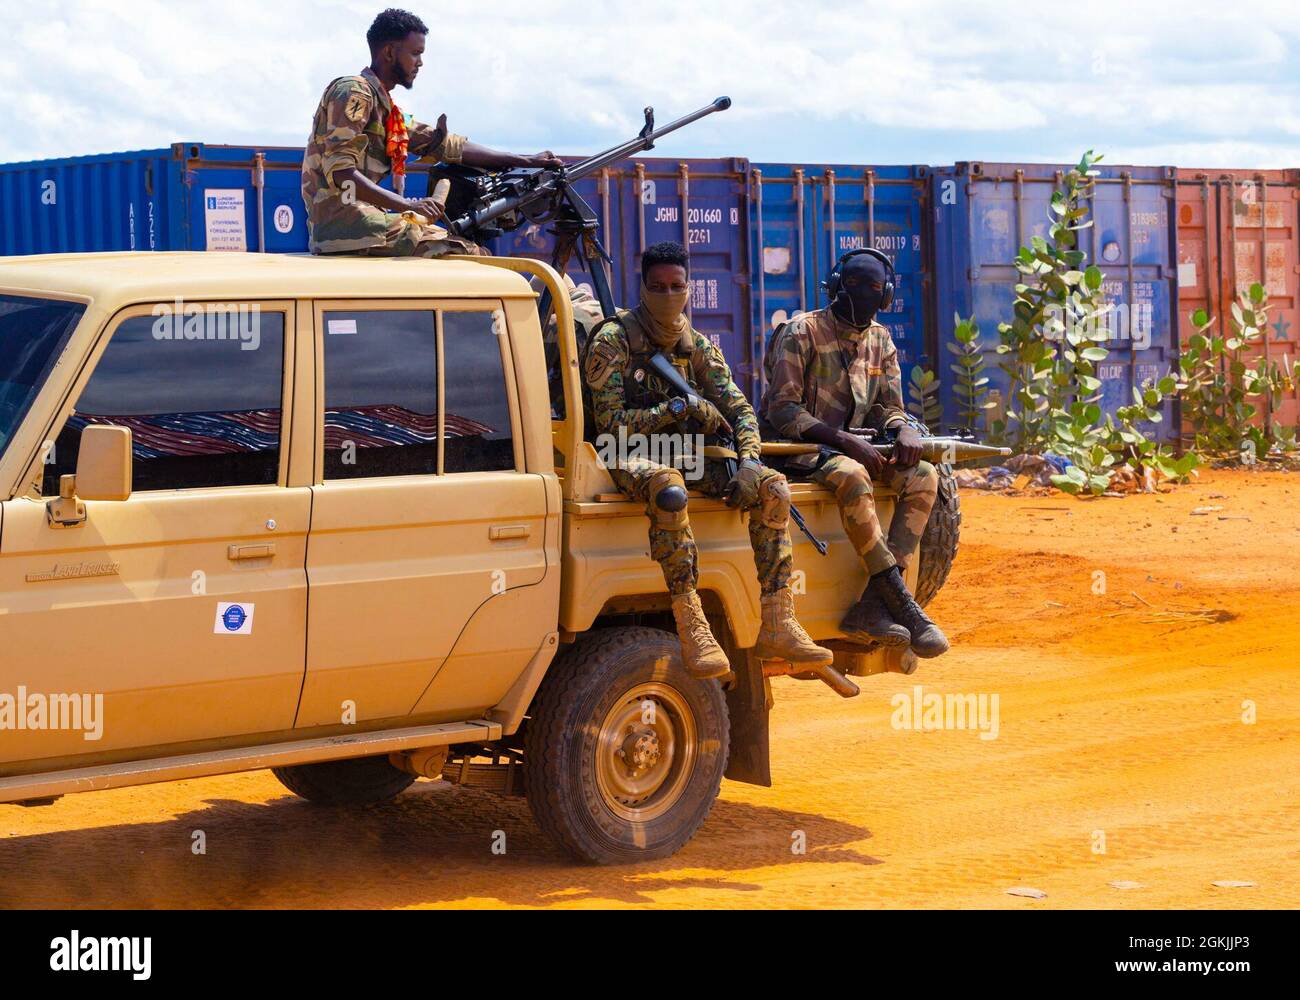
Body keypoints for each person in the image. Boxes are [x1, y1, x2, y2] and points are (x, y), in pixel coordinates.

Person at [583, 241, 832, 679]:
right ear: (642, 287)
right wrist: (677, 410)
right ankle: (691, 621)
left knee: (774, 488)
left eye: (676, 286)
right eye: (658, 286)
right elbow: (611, 427)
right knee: (668, 487)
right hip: (628, 454)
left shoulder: (694, 343)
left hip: (689, 455)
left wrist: (751, 462)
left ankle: (778, 620)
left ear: (689, 288)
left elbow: (739, 410)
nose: (668, 294)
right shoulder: (614, 339)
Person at [761, 248, 949, 658]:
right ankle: (902, 604)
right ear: (834, 286)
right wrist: (844, 441)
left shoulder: (880, 339)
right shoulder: (801, 331)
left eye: (874, 288)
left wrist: (902, 429)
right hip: (801, 448)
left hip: (859, 448)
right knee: (851, 473)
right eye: (852, 285)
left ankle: (871, 606)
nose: (861, 294)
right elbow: (782, 409)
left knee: (924, 477)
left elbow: (889, 407)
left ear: (885, 296)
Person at [302, 8, 562, 257]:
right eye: (415, 53)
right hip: (344, 225)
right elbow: (341, 173)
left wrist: (522, 161)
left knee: (459, 245)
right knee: (469, 254)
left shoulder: (386, 111)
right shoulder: (354, 93)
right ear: (390, 52)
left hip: (359, 223)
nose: (420, 63)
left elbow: (446, 147)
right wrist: (408, 205)